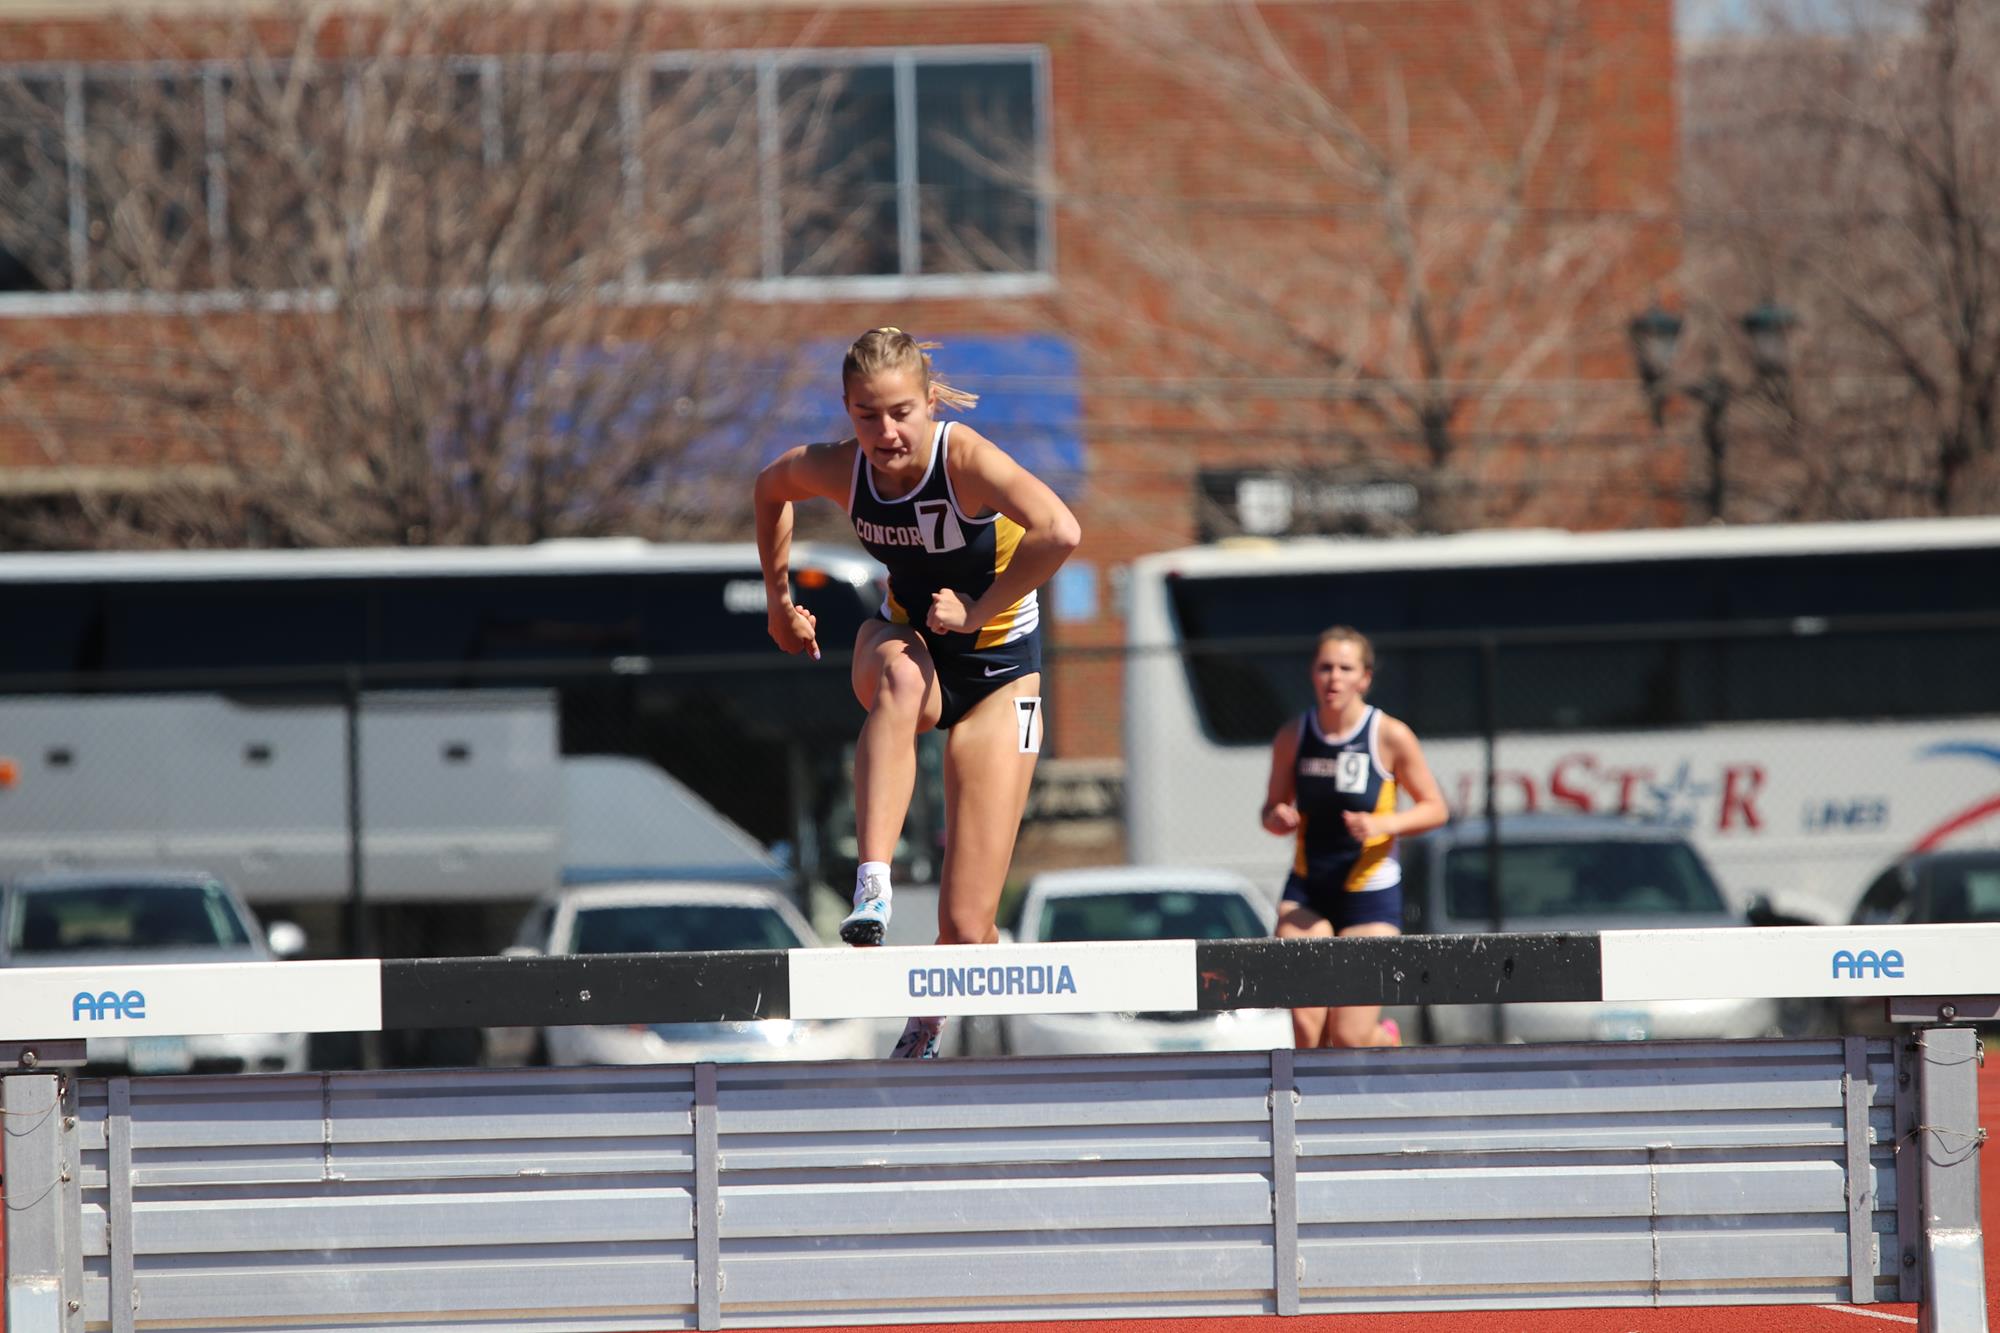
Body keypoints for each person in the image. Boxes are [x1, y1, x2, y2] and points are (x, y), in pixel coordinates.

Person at [753, 327, 1082, 1059]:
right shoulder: (843, 467)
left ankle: (928, 1024)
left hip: (1004, 673)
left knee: (967, 923)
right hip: (909, 645)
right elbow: (771, 488)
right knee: (900, 678)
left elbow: (1060, 530)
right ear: (847, 410)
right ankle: (874, 883)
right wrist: (779, 602)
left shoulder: (963, 459)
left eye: (901, 412)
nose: (886, 434)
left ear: (930, 402)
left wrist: (979, 609)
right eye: (867, 415)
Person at [1260, 626, 1447, 1049]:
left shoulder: (1389, 735)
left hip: (1370, 893)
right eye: (1325, 667)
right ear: (1312, 674)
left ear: (1364, 678)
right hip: (1308, 890)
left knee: (1348, 1036)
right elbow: (1270, 809)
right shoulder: (1294, 736)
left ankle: (1384, 1038)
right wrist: (1278, 818)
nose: (1334, 678)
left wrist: (1384, 825)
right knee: (1308, 1031)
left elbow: (1436, 808)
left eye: (1345, 669)